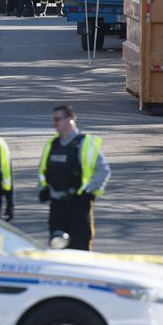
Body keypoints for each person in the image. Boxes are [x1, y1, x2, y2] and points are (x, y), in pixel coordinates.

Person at [37, 104, 110, 251]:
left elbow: (103, 170)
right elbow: (43, 170)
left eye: (57, 119)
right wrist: (43, 189)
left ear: (69, 119)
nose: (54, 123)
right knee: (57, 250)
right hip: (57, 208)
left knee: (80, 249)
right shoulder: (52, 144)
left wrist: (88, 191)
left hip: (78, 207)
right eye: (54, 120)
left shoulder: (84, 143)